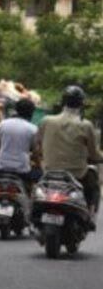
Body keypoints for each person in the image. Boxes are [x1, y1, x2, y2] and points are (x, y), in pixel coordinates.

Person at [37, 85, 103, 216]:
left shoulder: (46, 121)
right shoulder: (85, 125)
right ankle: (89, 215)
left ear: (63, 102)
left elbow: (38, 145)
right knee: (93, 186)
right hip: (77, 174)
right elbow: (94, 154)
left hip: (49, 171)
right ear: (81, 104)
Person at [0, 98, 40, 212]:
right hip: (22, 171)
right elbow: (36, 153)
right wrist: (37, 164)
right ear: (31, 113)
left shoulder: (2, 124)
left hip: (1, 168)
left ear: (16, 110)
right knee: (39, 177)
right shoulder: (33, 129)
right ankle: (32, 206)